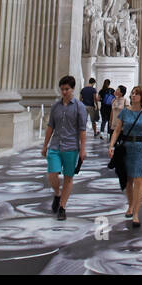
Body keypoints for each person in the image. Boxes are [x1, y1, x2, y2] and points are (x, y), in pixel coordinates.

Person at [107, 85, 142, 228]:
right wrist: (111, 145)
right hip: (127, 148)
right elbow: (117, 130)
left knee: (139, 179)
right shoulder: (125, 112)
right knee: (128, 180)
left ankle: (135, 213)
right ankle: (130, 205)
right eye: (132, 94)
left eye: (136, 94)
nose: (133, 96)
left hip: (141, 148)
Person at [42, 75, 88, 221]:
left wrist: (83, 149)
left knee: (68, 177)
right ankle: (57, 193)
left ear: (72, 89)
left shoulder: (79, 107)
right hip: (55, 145)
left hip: (71, 146)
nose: (64, 92)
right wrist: (45, 145)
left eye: (66, 89)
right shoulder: (56, 106)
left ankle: (62, 206)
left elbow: (82, 130)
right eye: (62, 89)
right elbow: (50, 126)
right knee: (52, 174)